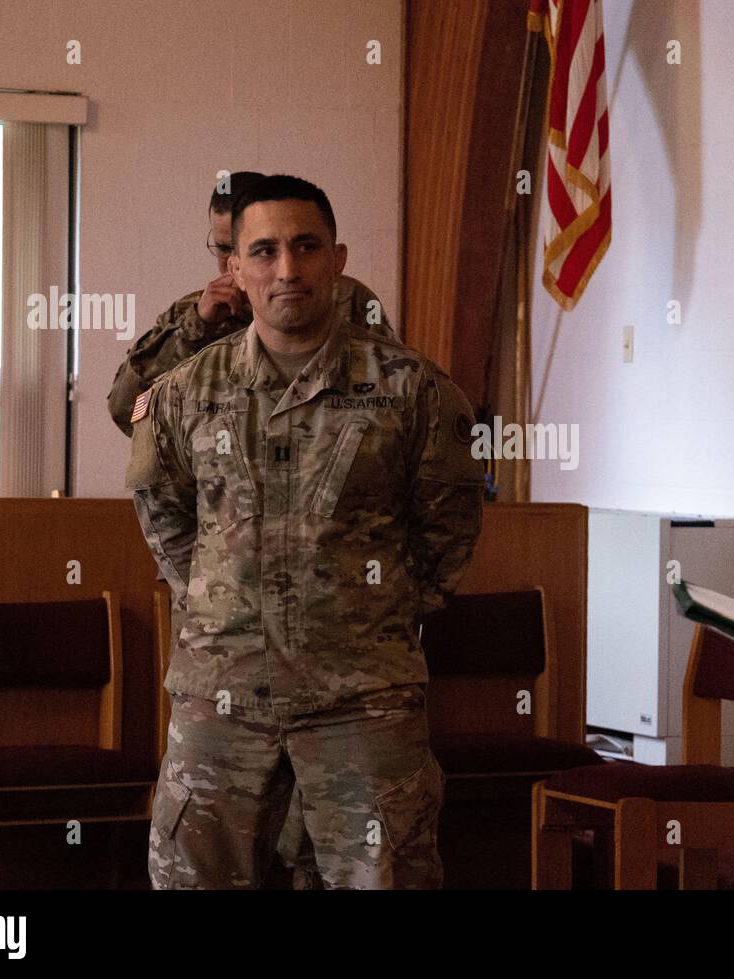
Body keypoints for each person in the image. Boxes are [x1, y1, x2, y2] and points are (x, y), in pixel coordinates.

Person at [127, 174, 483, 889]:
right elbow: (161, 510)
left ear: (337, 257)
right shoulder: (183, 393)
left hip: (362, 705)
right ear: (235, 267)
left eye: (305, 246)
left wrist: (365, 615)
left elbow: (449, 528)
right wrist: (223, 599)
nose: (286, 269)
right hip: (220, 702)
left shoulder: (411, 390)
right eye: (263, 251)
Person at [107, 170, 393, 436]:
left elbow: (394, 398)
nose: (232, 263)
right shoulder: (193, 313)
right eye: (222, 249)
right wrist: (195, 328)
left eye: (260, 248)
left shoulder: (344, 298)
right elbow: (127, 411)